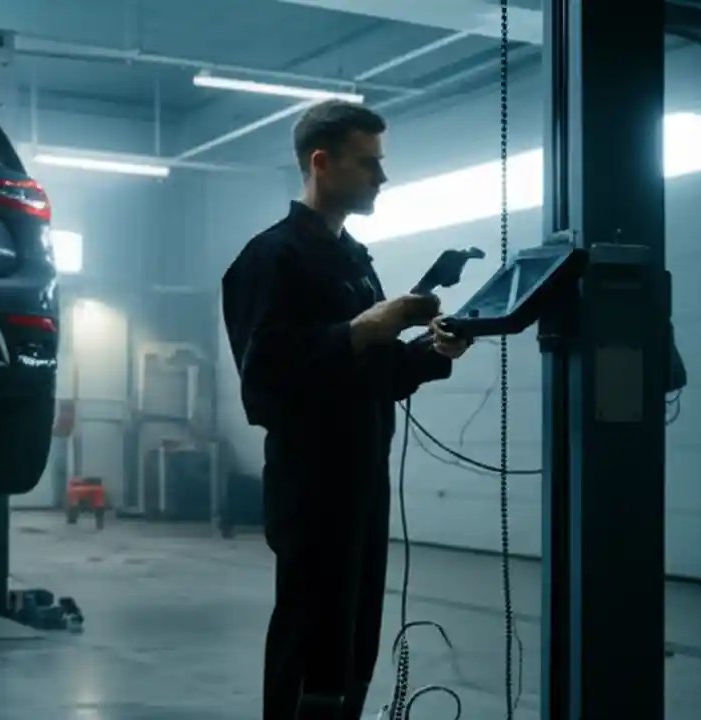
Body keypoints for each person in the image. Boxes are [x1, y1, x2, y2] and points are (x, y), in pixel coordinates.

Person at [220, 100, 472, 720]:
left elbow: (373, 374)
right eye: (369, 165)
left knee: (355, 639)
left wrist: (433, 353)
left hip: (364, 477)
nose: (381, 179)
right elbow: (268, 384)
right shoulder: (271, 259)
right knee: (311, 638)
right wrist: (361, 330)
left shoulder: (355, 260)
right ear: (322, 163)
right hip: (311, 486)